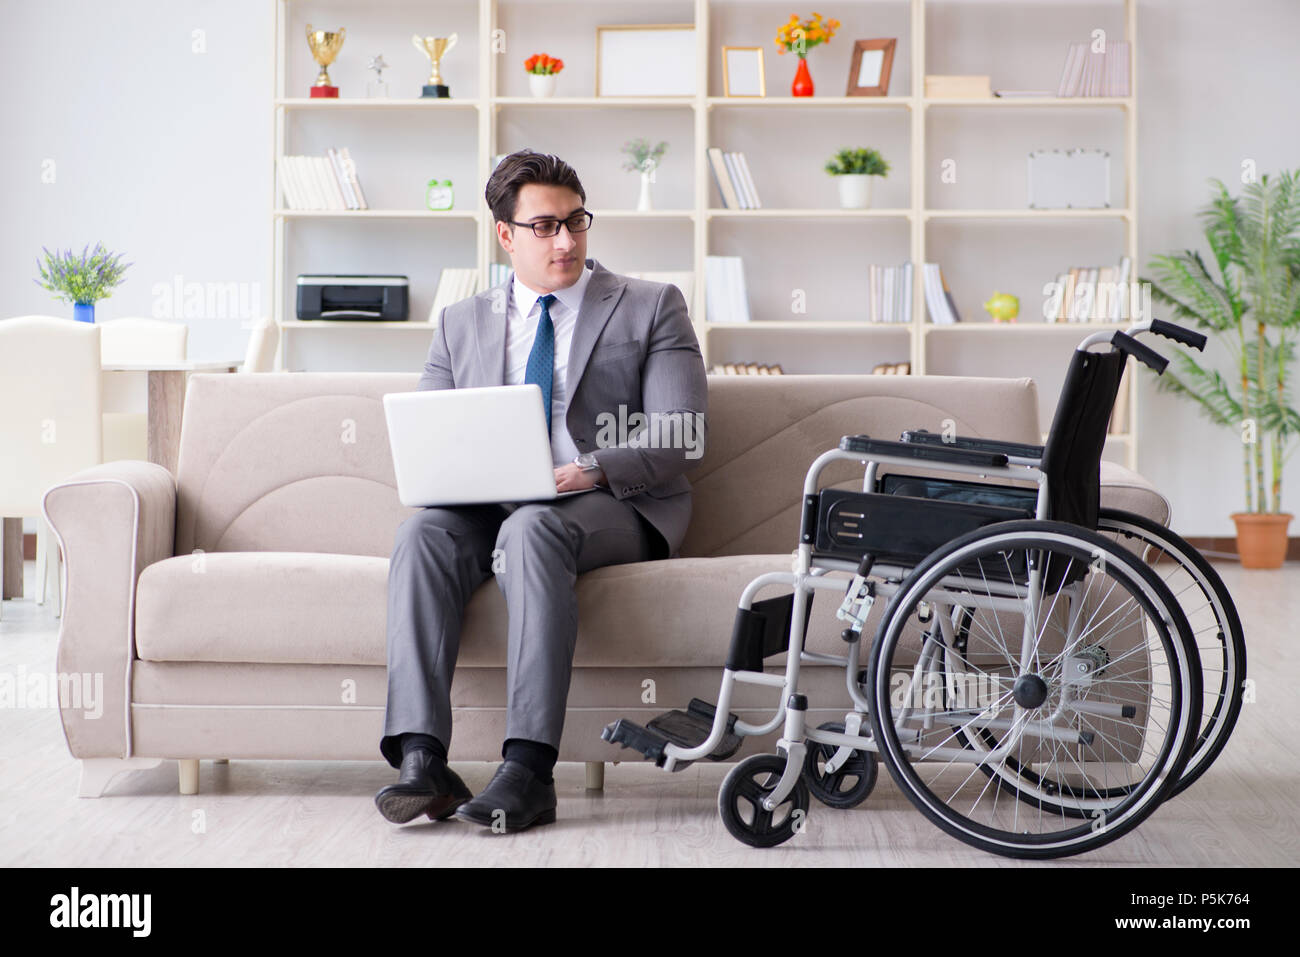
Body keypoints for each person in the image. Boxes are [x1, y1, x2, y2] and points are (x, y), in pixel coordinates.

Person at [374, 149, 708, 831]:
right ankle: (422, 760)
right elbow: (433, 433)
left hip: (612, 502)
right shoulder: (459, 322)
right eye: (545, 226)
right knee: (421, 535)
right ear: (505, 234)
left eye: (576, 222)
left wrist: (590, 467)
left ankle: (528, 769)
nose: (566, 240)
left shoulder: (649, 305)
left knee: (534, 528)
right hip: (490, 503)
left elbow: (683, 433)